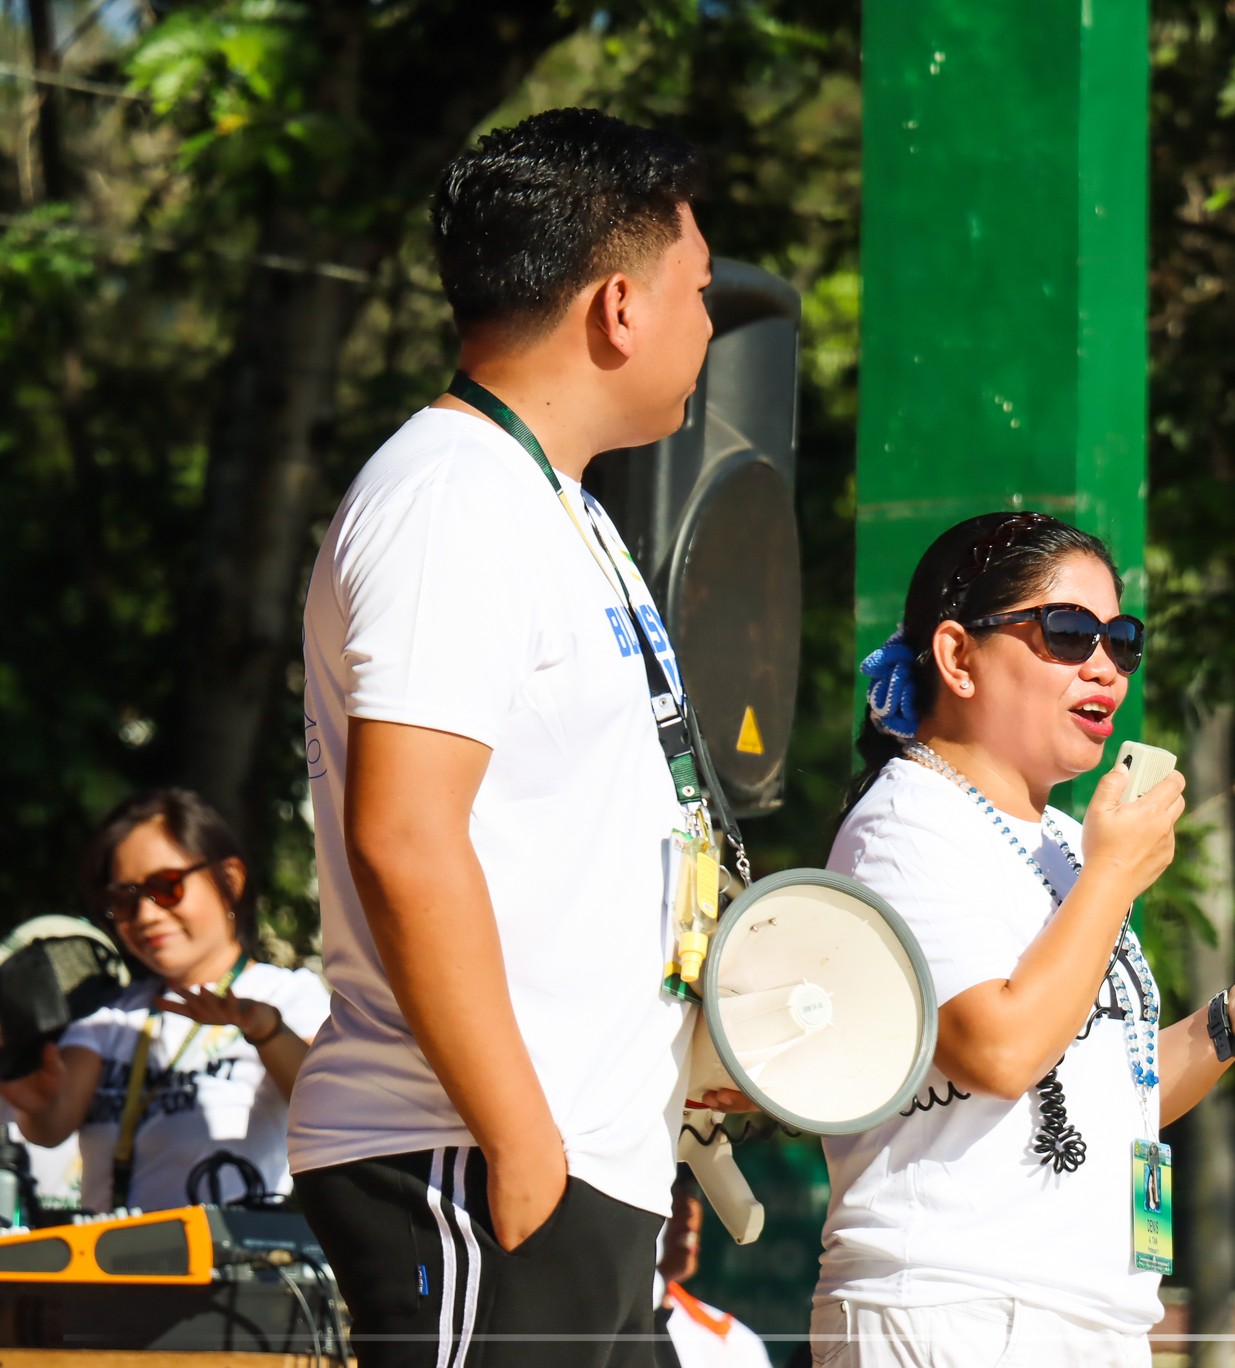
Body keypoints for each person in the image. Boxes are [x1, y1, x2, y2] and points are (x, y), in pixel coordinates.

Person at [290, 108, 735, 1368]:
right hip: (473, 1160)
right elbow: (403, 833)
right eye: (696, 290)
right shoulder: (453, 497)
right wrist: (521, 1135)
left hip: (577, 1171)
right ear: (618, 307)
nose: (709, 324)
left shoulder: (555, 506)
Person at [809, 512, 1235, 1367]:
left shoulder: (1068, 842)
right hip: (954, 1307)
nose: (1104, 664)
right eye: (1067, 632)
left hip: (1087, 1315)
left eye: (1121, 639)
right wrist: (1113, 878)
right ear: (958, 658)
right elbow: (997, 1054)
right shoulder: (903, 826)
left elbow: (1108, 1094)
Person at [0, 789, 329, 1213]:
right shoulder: (110, 1013)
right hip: (108, 1265)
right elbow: (51, 1128)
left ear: (230, 879)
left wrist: (266, 1031)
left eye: (165, 887)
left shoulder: (286, 994)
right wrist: (33, 1098)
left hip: (232, 1266)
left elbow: (330, 1111)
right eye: (124, 898)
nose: (146, 914)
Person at [655, 1168, 773, 1368]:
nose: (689, 1207)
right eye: (672, 1190)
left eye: (693, 1192)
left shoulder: (735, 1341)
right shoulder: (594, 1318)